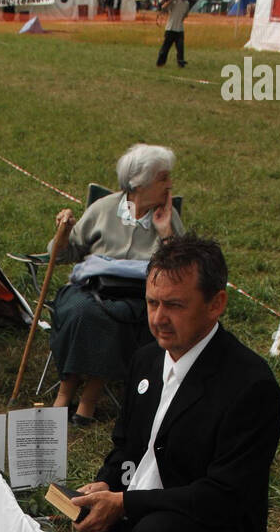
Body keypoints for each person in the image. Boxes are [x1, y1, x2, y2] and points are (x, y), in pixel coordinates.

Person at [52, 234, 280, 532]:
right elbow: (126, 447)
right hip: (136, 516)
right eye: (152, 302)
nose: (158, 318)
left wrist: (126, 502)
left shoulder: (251, 386)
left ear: (216, 303)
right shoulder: (145, 358)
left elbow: (222, 497)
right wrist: (110, 482)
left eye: (175, 305)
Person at [47, 144, 183, 422]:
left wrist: (166, 231)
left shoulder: (167, 218)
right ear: (139, 183)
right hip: (90, 289)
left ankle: (88, 397)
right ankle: (66, 390)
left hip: (141, 296)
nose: (170, 184)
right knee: (82, 312)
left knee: (118, 315)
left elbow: (181, 270)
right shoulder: (104, 208)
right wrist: (64, 231)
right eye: (163, 178)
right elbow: (64, 253)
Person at [157, 0, 195, 68]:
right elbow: (163, 8)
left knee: (180, 48)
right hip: (170, 28)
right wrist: (170, 0)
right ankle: (160, 63)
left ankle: (180, 63)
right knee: (165, 48)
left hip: (179, 29)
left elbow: (185, 15)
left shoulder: (186, 4)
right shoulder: (174, 1)